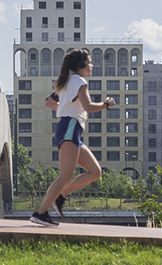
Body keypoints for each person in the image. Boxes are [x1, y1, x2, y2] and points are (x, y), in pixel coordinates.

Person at [31, 49, 113, 227]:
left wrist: (66, 109)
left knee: (95, 171)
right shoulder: (79, 82)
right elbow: (89, 106)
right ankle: (40, 213)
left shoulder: (66, 82)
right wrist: (106, 104)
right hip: (70, 127)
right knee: (66, 174)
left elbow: (49, 102)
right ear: (81, 65)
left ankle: (60, 196)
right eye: (89, 62)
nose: (92, 65)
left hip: (70, 128)